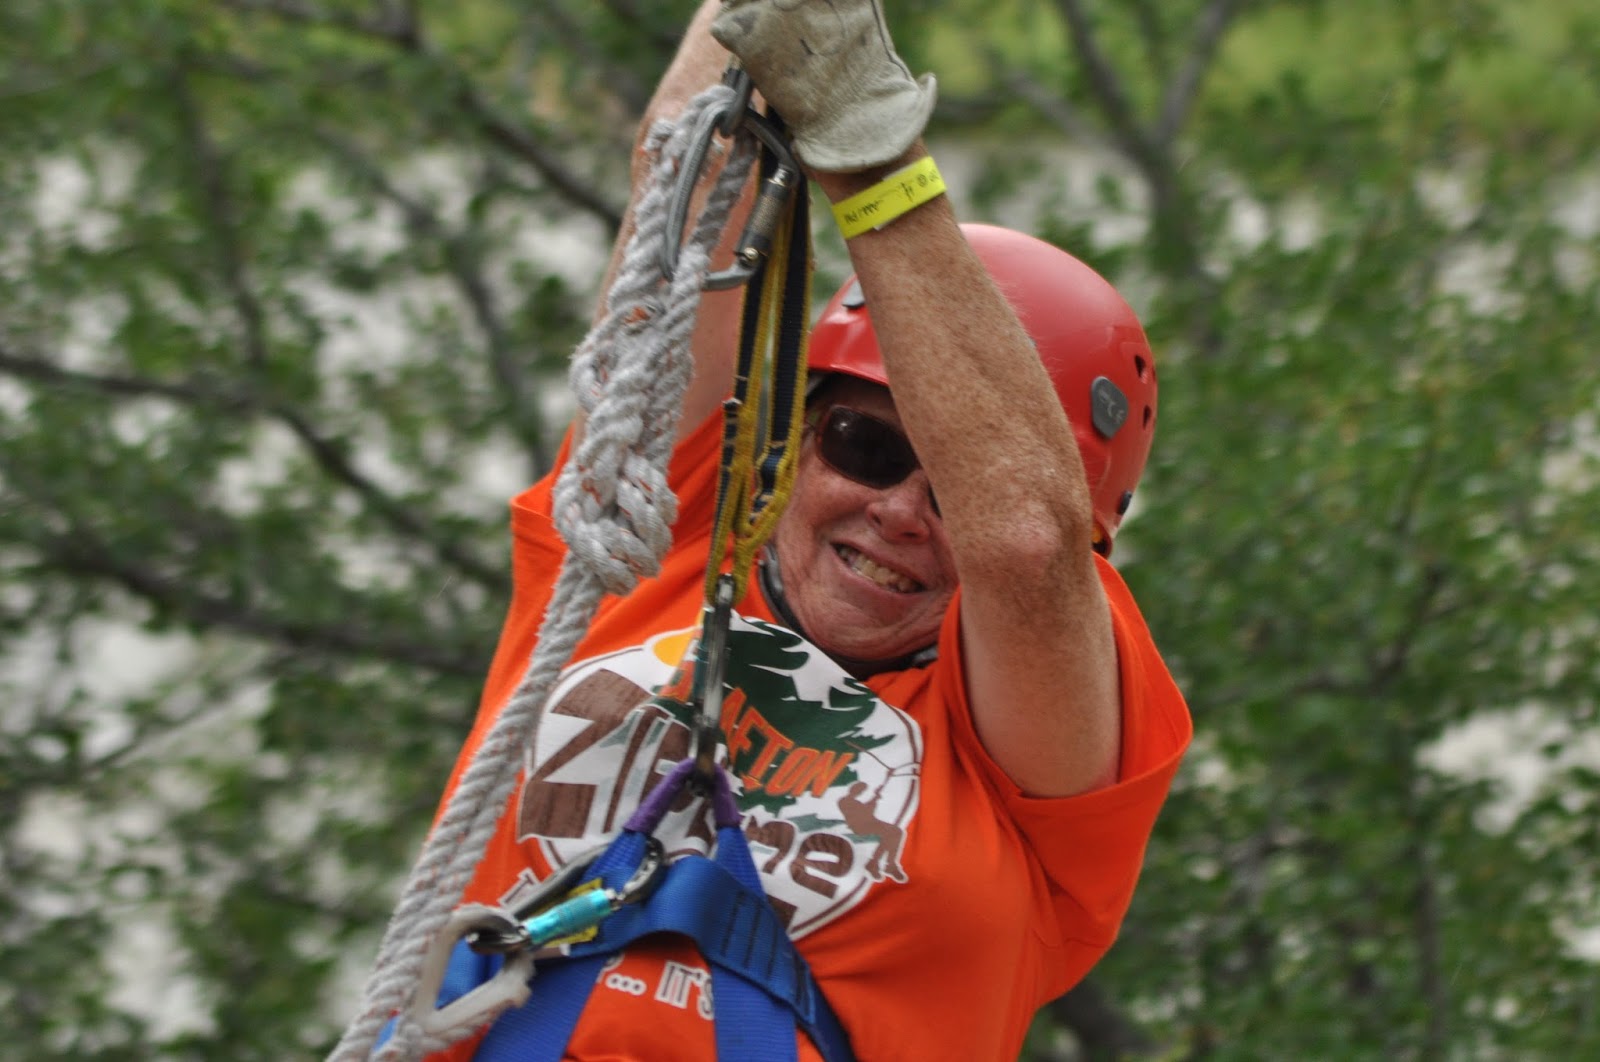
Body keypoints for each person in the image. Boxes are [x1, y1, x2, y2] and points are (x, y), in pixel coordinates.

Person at [425, 1, 1191, 1058]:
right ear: (799, 429)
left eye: (953, 493)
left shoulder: (1031, 747)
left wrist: (872, 155)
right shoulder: (669, 538)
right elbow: (680, 198)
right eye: (864, 445)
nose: (898, 514)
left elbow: (1022, 544)